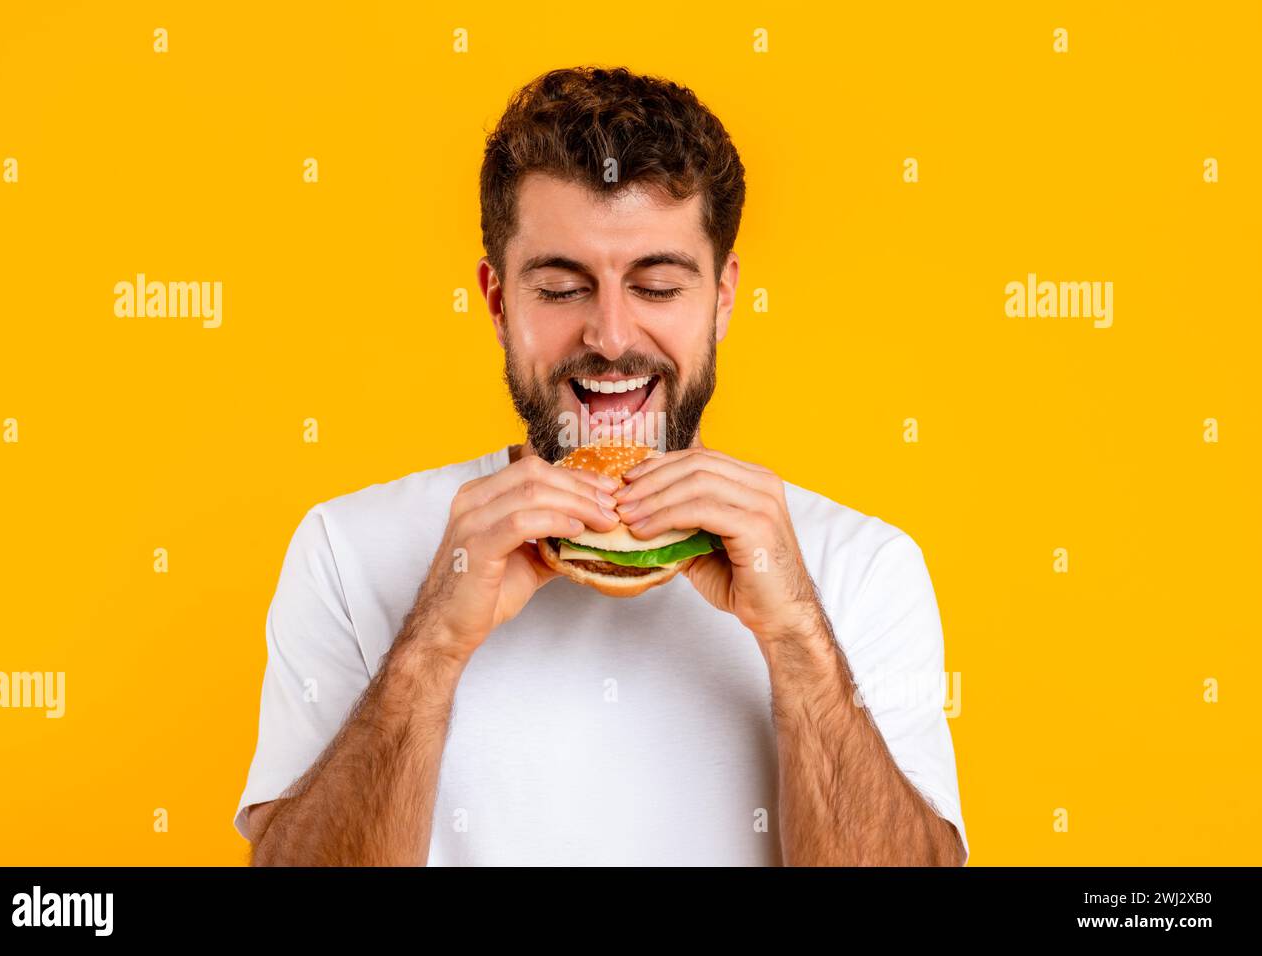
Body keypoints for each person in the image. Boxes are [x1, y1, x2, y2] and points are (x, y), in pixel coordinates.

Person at [235, 65, 968, 866]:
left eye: (655, 285)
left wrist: (798, 637)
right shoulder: (348, 550)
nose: (611, 336)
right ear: (497, 301)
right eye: (559, 288)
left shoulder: (862, 567)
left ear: (722, 299)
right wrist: (430, 646)